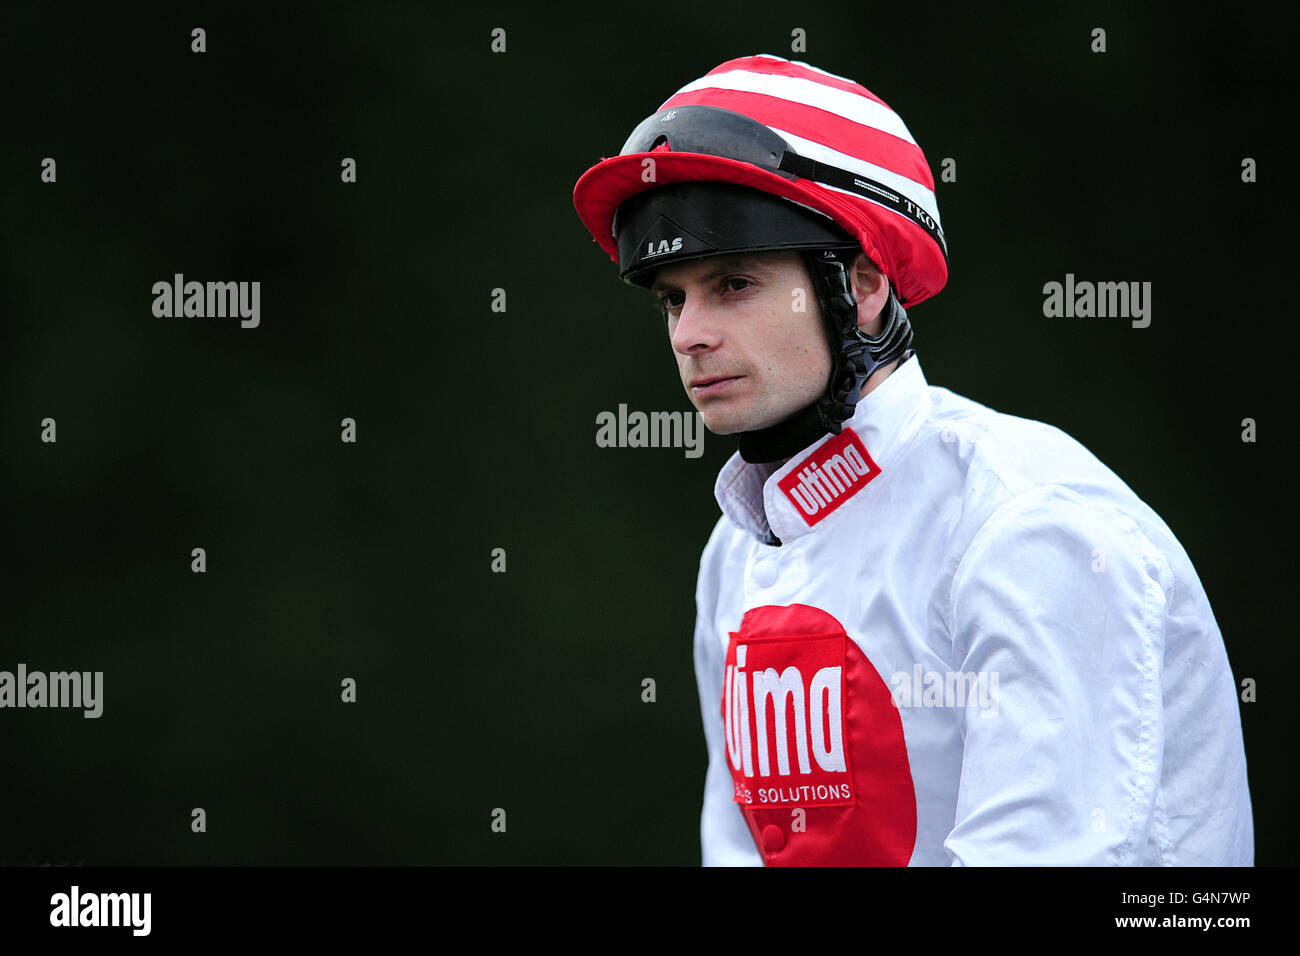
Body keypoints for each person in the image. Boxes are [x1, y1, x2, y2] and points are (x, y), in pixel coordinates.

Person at [572, 54, 1253, 865]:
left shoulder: (1030, 527)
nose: (689, 335)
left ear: (860, 286)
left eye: (734, 283)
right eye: (672, 299)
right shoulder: (736, 550)